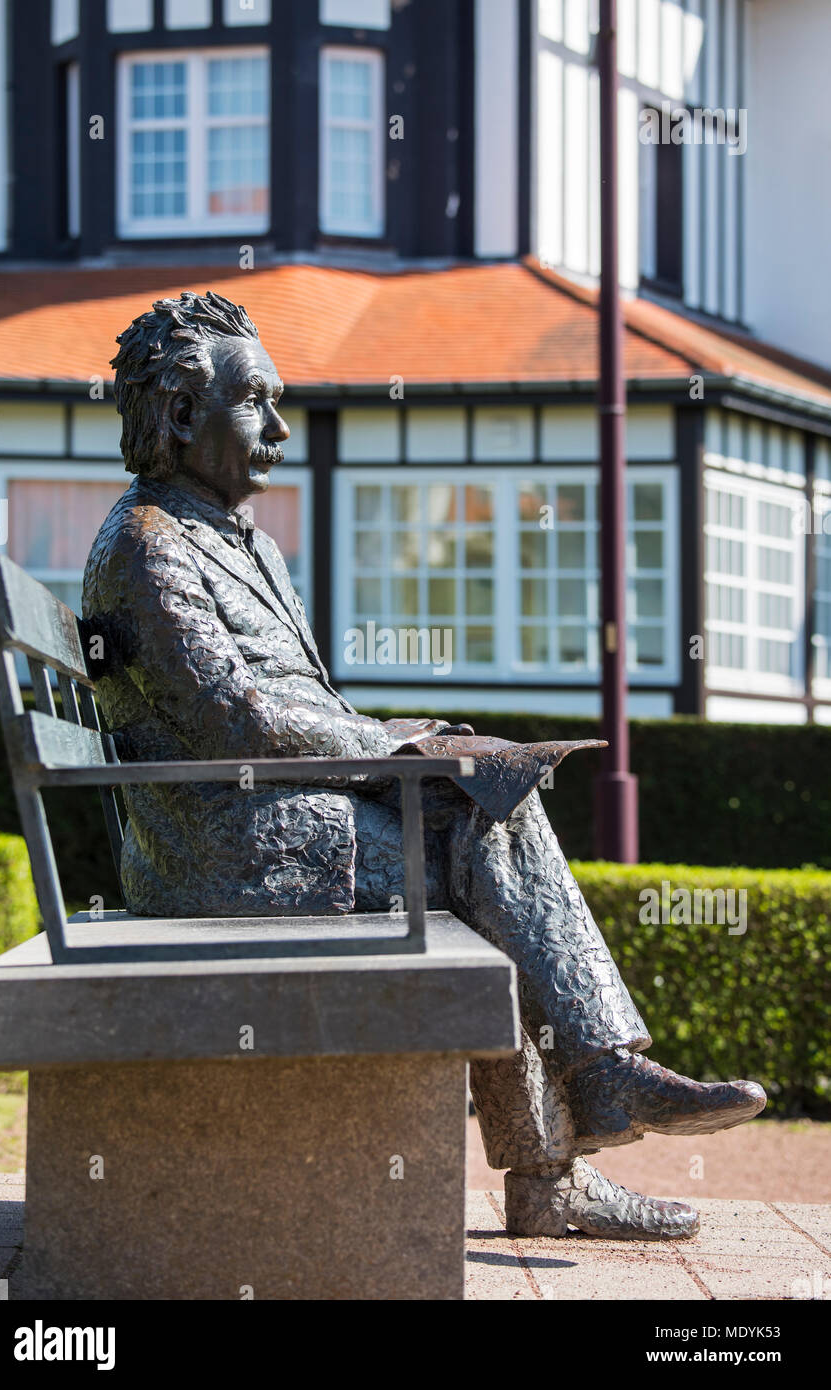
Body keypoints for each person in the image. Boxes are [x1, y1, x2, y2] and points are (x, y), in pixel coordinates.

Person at [83, 291, 765, 1240]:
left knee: (488, 801)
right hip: (218, 845)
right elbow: (238, 720)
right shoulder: (145, 545)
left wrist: (420, 741)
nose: (280, 428)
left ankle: (586, 1109)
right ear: (184, 413)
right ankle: (576, 1127)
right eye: (256, 403)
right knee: (481, 840)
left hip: (271, 817)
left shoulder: (244, 544)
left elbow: (302, 711)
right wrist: (402, 751)